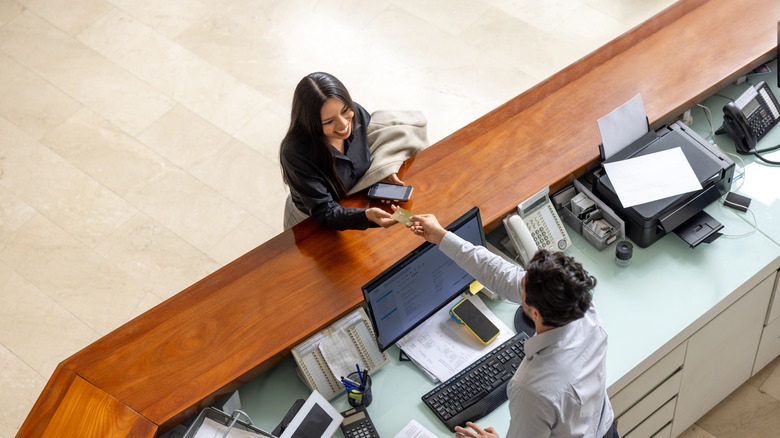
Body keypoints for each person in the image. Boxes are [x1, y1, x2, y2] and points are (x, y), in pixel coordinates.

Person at [409, 213, 618, 438]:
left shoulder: (531, 389)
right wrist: (441, 236)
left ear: (535, 313)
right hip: (603, 428)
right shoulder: (584, 307)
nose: (518, 281)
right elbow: (500, 273)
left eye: (523, 285)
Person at [280, 72, 403, 230]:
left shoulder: (356, 113)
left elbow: (371, 147)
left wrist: (380, 173)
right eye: (329, 121)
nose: (344, 124)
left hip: (352, 204)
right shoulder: (296, 153)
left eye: (345, 111)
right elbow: (324, 211)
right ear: (310, 124)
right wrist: (364, 216)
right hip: (309, 220)